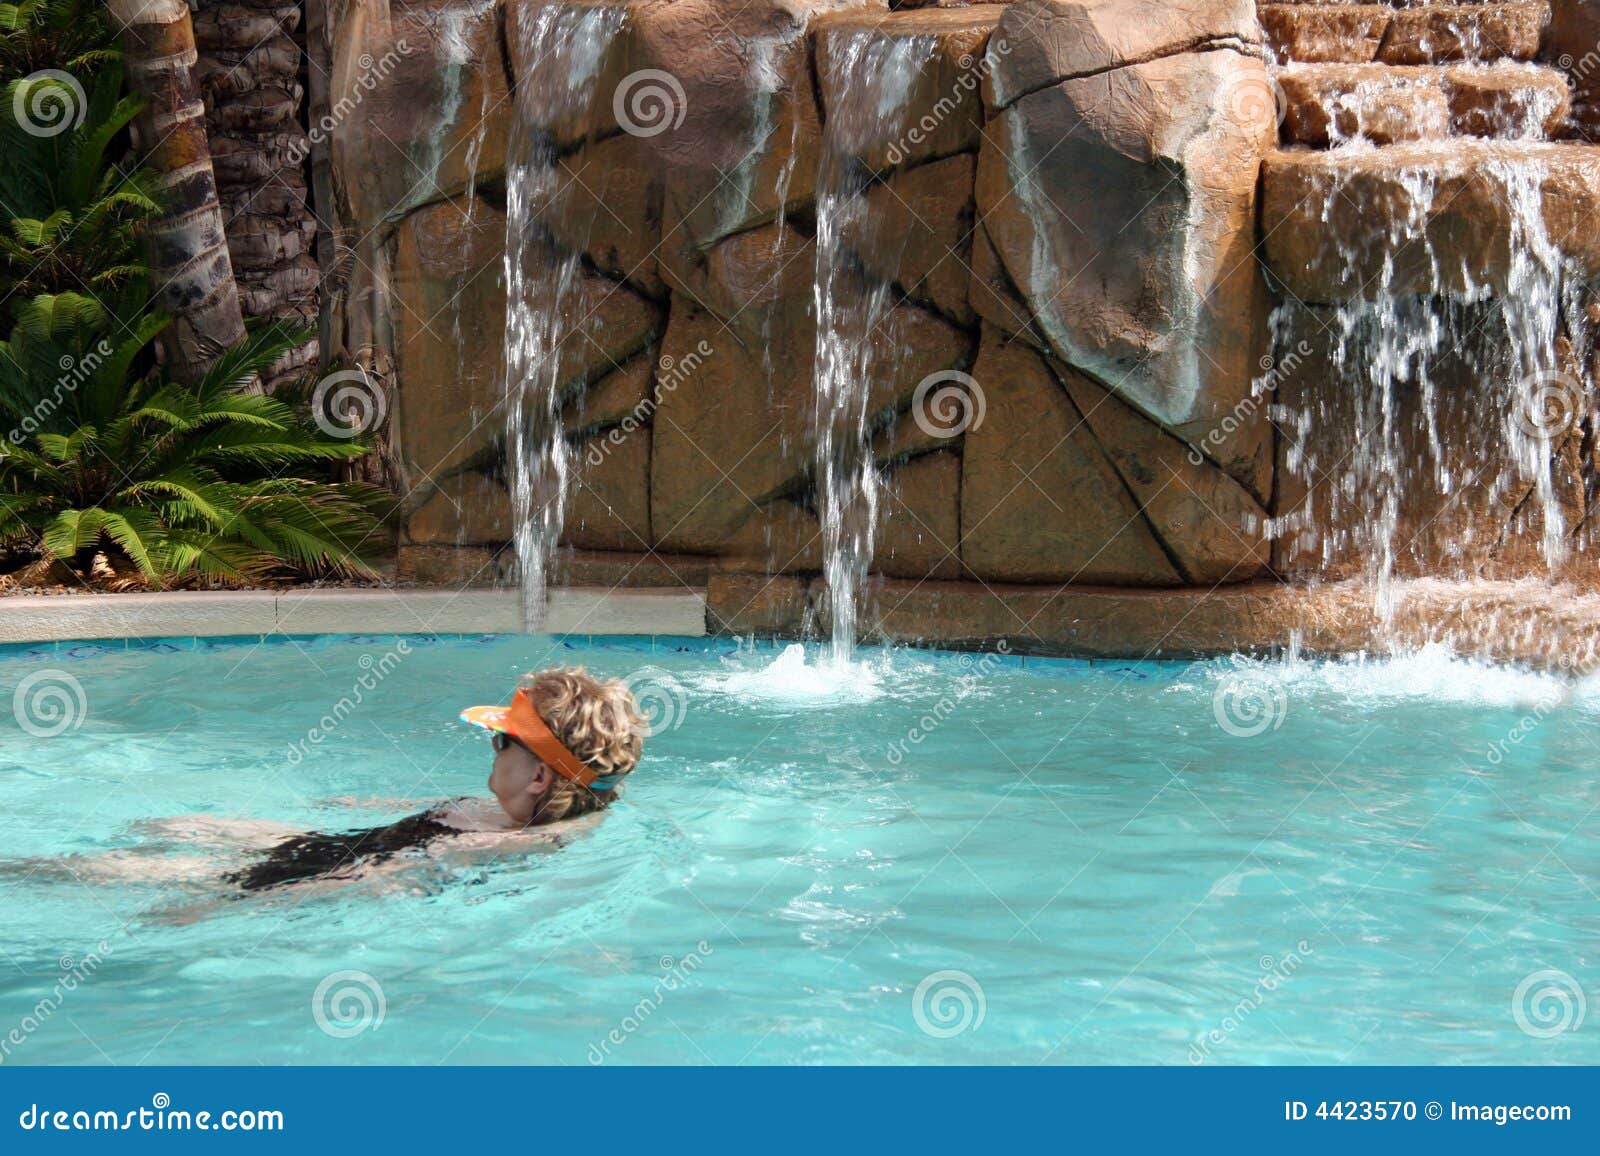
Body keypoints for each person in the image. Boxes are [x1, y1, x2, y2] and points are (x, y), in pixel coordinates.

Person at [13, 667, 645, 899]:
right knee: (176, 827)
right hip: (349, 836)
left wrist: (239, 901)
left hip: (339, 864)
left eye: (502, 737)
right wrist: (370, 804)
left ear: (538, 775)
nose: (490, 740)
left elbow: (383, 877)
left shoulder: (511, 842)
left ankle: (28, 868)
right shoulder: (514, 811)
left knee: (146, 872)